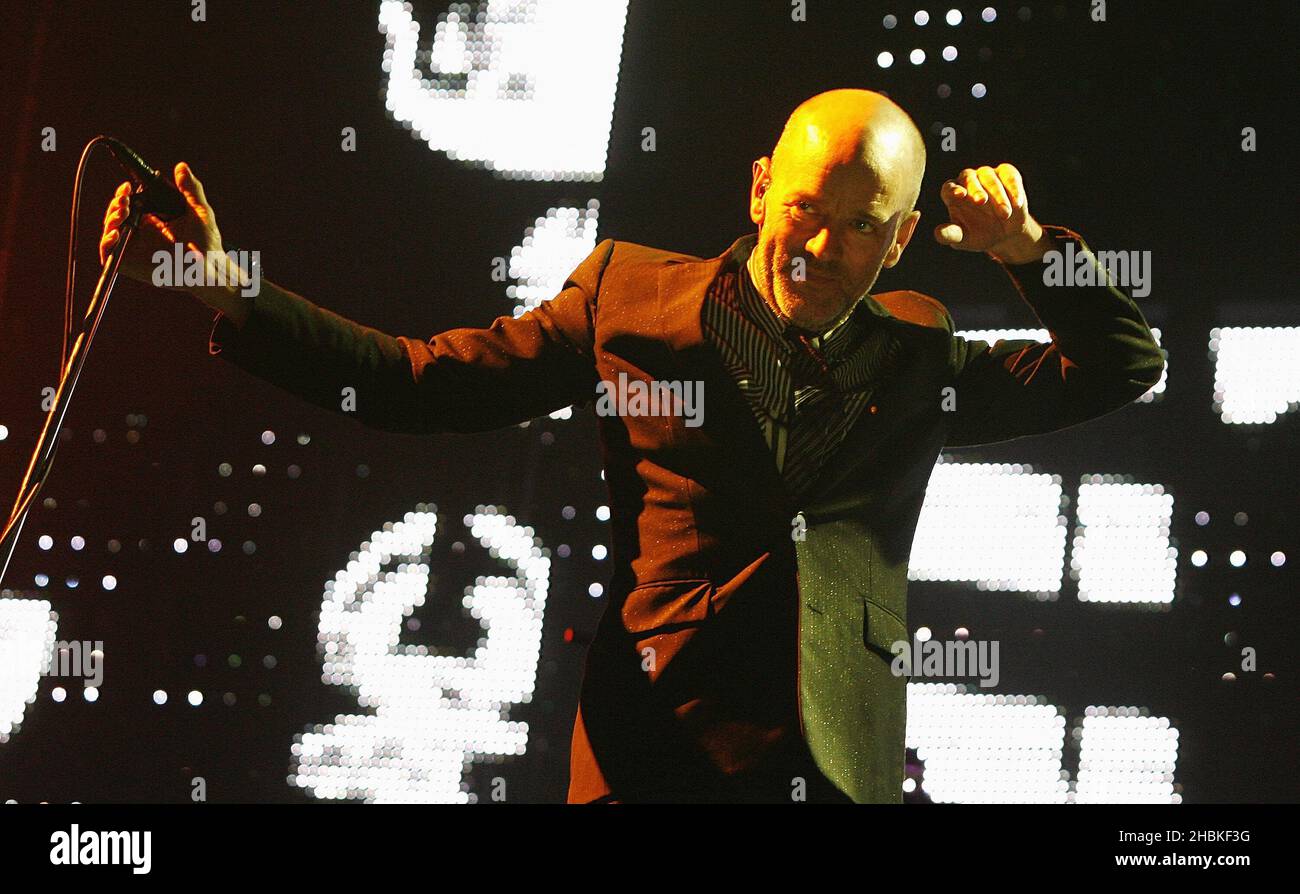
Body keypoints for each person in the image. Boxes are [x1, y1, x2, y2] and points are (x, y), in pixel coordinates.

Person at [99, 89, 1164, 803]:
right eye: (803, 209)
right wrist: (225, 287)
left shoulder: (921, 355)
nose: (818, 247)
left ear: (896, 241)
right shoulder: (628, 300)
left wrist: (1030, 253)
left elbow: (1123, 366)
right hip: (651, 740)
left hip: (833, 763)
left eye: (857, 226)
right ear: (759, 191)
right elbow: (417, 382)